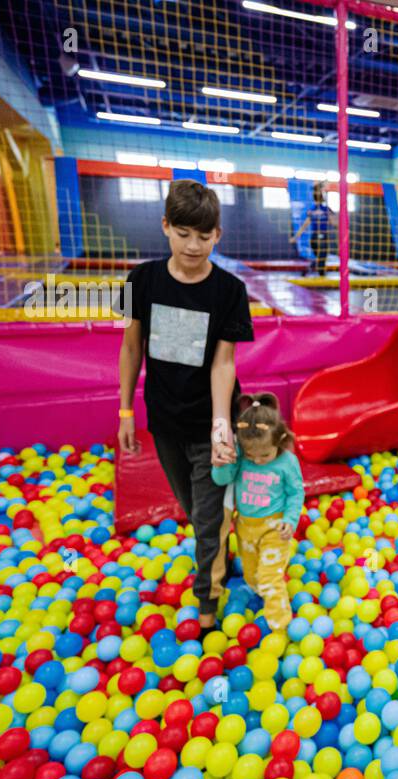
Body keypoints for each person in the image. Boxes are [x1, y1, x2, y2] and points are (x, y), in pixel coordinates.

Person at [115, 179, 254, 636]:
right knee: (196, 511)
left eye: (204, 235)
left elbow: (223, 363)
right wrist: (125, 412)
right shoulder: (142, 280)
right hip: (166, 420)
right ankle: (221, 550)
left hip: (209, 419)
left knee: (208, 521)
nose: (194, 245)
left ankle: (208, 608)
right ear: (165, 228)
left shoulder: (229, 290)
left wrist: (221, 428)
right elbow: (131, 348)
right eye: (184, 233)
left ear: (218, 235)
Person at [211, 393, 304, 633]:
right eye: (252, 455)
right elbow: (221, 479)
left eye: (265, 455)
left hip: (274, 528)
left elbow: (295, 494)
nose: (258, 460)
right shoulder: (242, 456)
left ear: (280, 440)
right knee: (252, 576)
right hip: (246, 528)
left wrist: (290, 520)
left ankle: (281, 626)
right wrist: (223, 463)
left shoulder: (287, 462)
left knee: (269, 577)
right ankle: (264, 596)